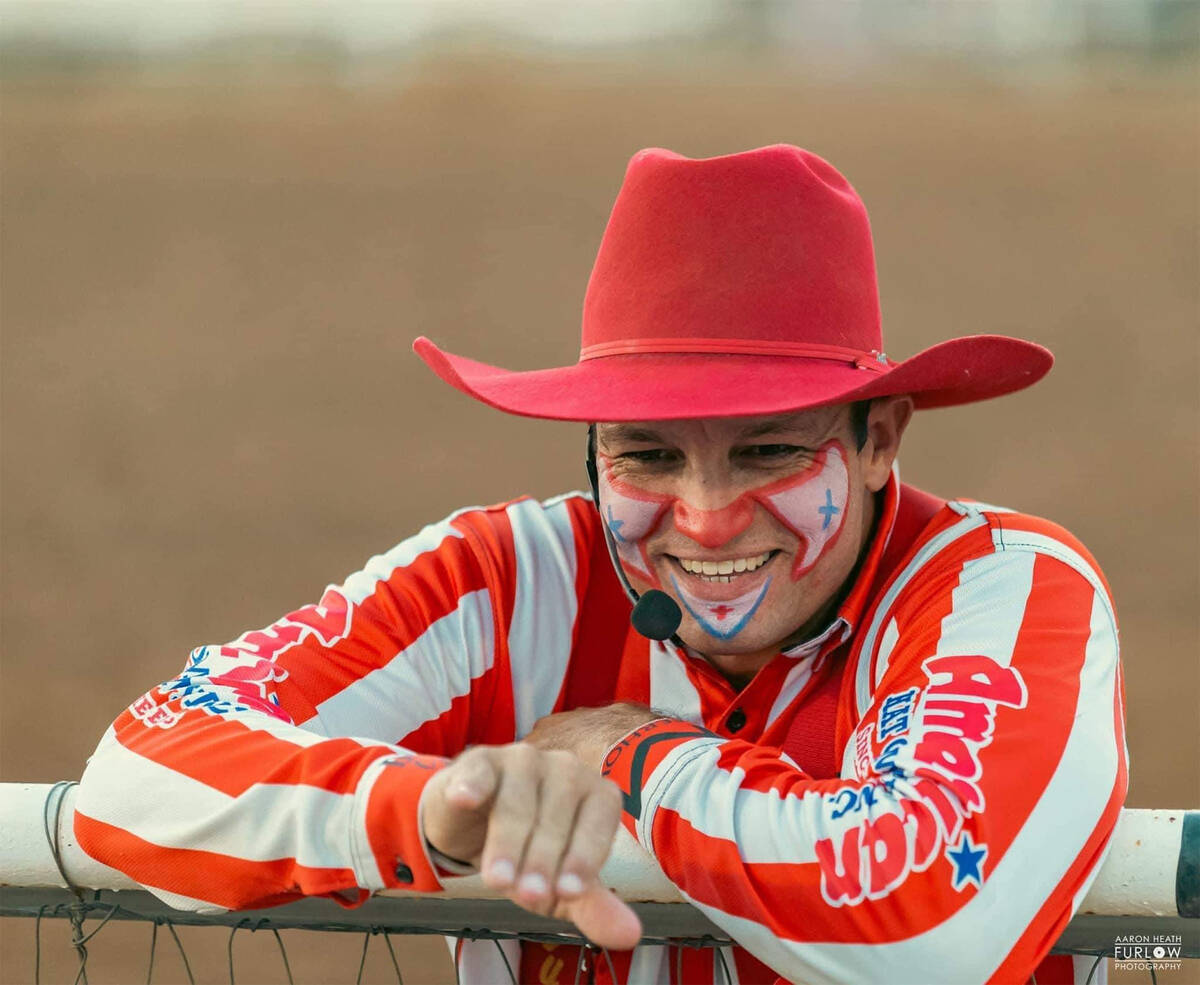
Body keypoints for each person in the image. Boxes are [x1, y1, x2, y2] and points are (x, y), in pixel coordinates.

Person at [74, 145, 1127, 985]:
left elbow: (933, 925)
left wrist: (626, 753)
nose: (706, 520)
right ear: (590, 452)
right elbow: (135, 777)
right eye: (648, 457)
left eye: (768, 450)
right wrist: (436, 808)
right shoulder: (503, 580)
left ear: (881, 438)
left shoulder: (1005, 586)